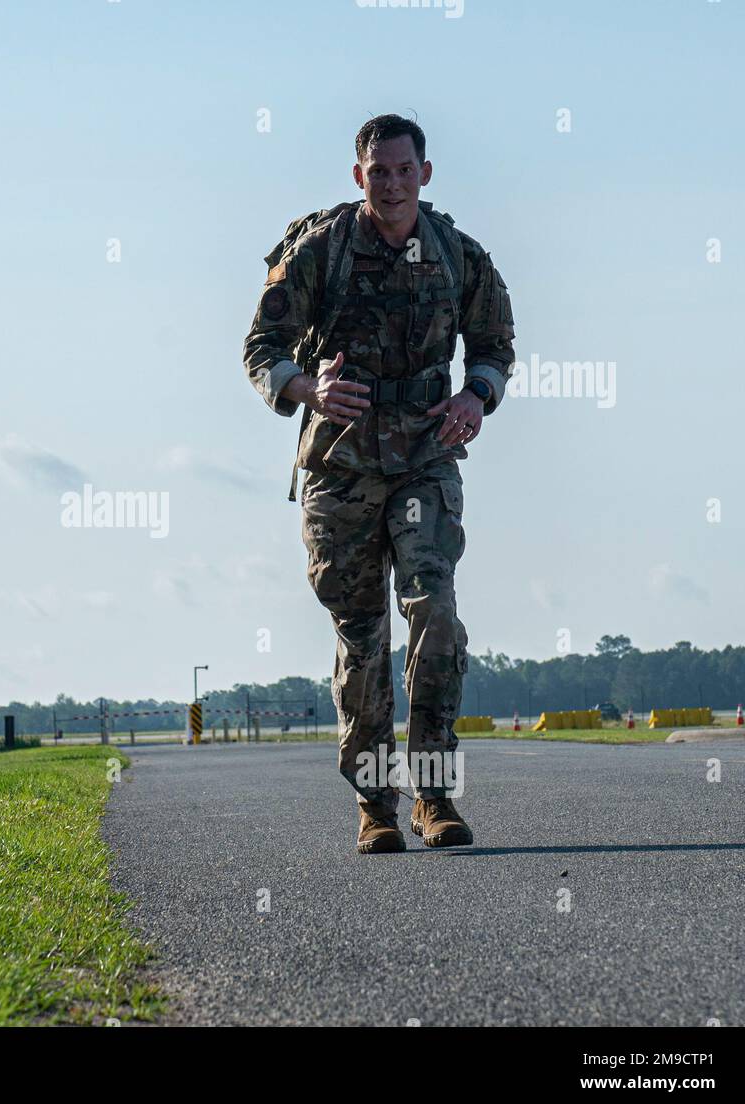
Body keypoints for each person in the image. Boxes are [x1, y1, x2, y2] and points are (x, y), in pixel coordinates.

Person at [242, 114, 515, 853]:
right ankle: (375, 804)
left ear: (425, 173)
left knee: (435, 613)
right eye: (377, 171)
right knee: (361, 637)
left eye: (403, 170)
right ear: (358, 175)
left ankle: (432, 794)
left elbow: (495, 345)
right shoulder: (321, 250)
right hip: (341, 464)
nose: (391, 184)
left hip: (426, 454)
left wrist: (475, 395)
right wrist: (306, 387)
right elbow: (259, 348)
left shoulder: (458, 254)